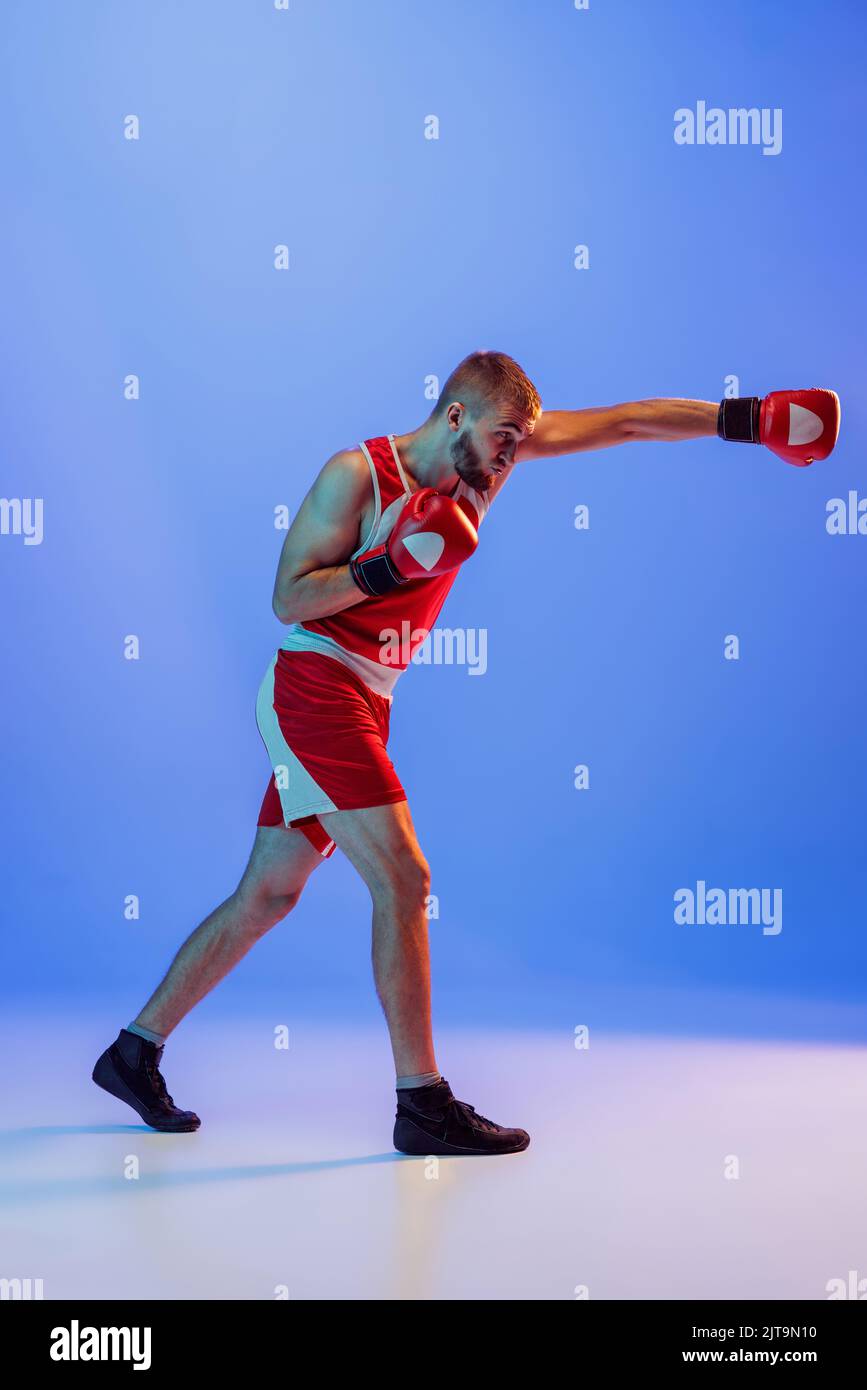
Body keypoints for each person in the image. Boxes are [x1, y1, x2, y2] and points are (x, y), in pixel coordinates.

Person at [92, 351, 839, 1156]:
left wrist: (745, 419)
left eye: (522, 441)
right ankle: (422, 1104)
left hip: (370, 697)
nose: (513, 456)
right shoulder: (357, 475)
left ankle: (133, 1052)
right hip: (315, 685)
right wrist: (380, 567)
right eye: (506, 438)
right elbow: (287, 598)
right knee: (404, 880)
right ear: (455, 417)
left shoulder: (485, 470)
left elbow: (623, 422)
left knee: (269, 895)